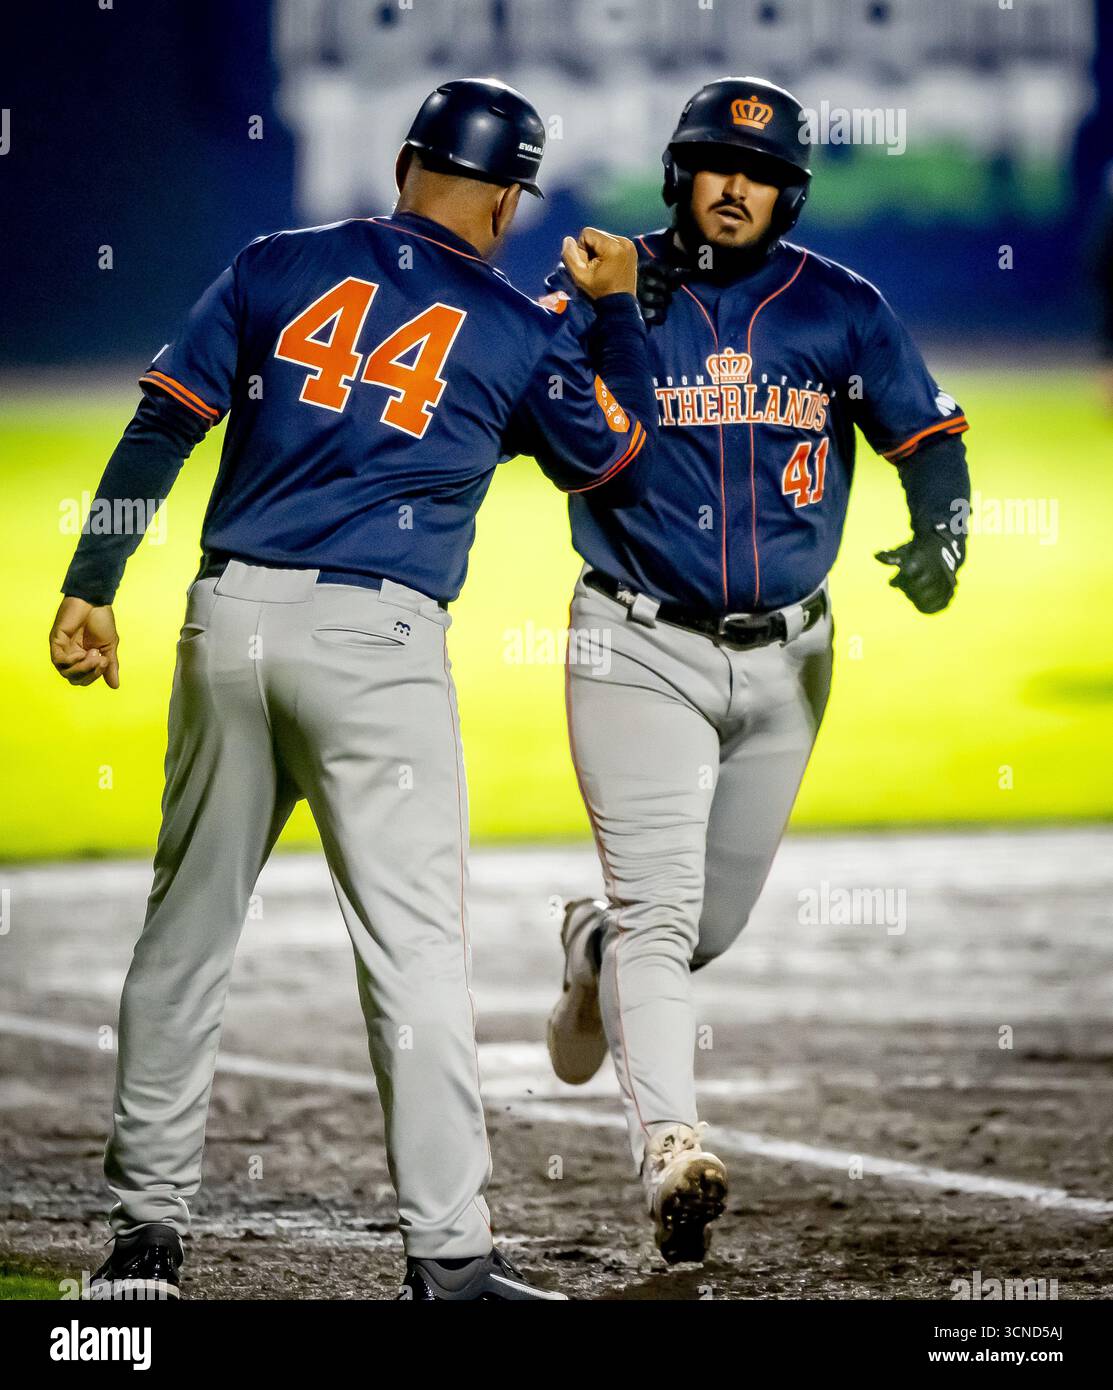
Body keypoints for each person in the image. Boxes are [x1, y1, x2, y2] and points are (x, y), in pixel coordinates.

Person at [49, 77, 654, 1302]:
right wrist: (615, 315)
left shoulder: (277, 260)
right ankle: (450, 1256)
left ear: (402, 164)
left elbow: (164, 421)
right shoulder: (513, 322)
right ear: (502, 202)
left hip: (228, 625)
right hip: (375, 647)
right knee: (416, 954)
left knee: (184, 933)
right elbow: (621, 455)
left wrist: (93, 581)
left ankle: (144, 1241)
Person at [542, 76, 971, 1264]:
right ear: (681, 173)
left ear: (790, 193)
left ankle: (590, 949)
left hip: (791, 660)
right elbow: (523, 393)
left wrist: (944, 532)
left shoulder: (838, 306)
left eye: (765, 173)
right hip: (633, 640)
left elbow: (927, 432)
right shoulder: (601, 279)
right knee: (666, 917)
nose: (740, 188)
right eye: (719, 165)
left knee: (696, 927)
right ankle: (672, 1144)